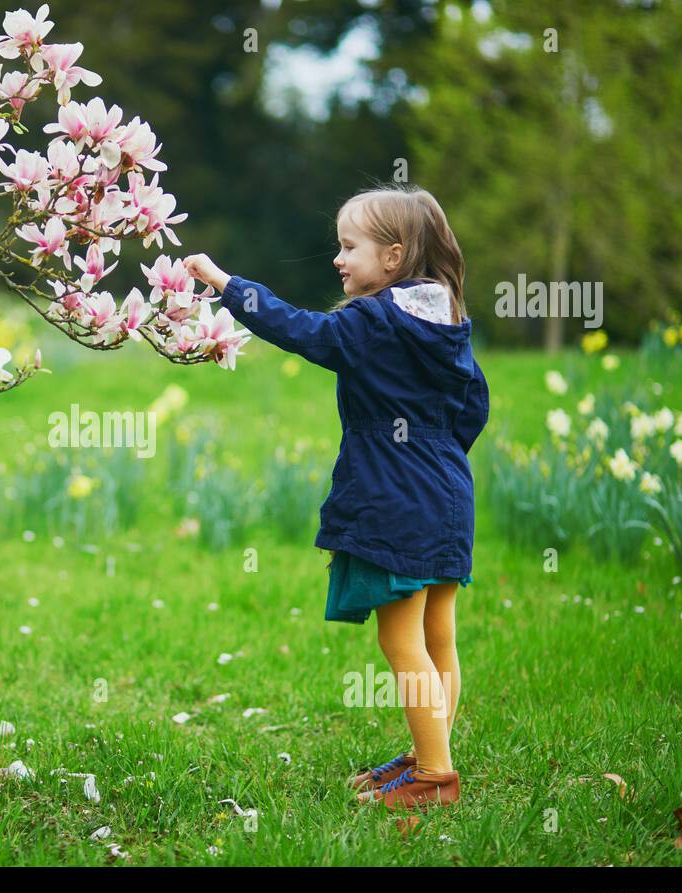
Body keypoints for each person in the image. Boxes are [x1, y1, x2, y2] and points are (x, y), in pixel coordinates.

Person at [183, 184, 489, 810]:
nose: (338, 259)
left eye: (350, 247)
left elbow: (305, 334)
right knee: (440, 636)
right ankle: (430, 755)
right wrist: (437, 457)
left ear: (395, 258)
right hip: (448, 491)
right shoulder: (446, 319)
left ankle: (434, 777)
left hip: (395, 497)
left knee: (400, 639)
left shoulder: (374, 321)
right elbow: (475, 405)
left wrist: (226, 283)